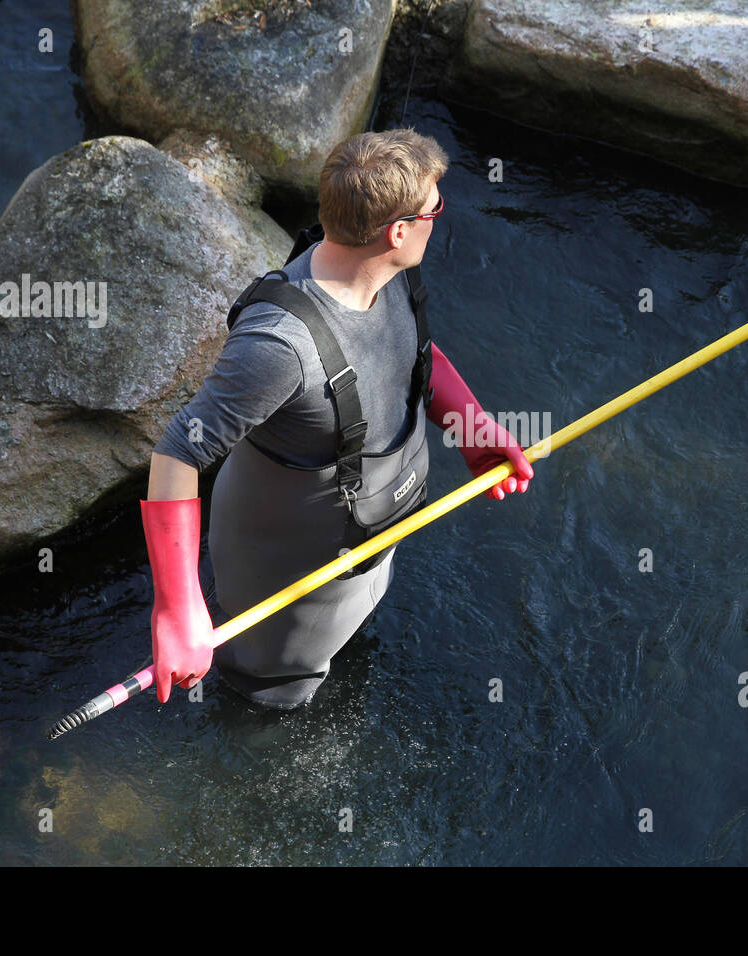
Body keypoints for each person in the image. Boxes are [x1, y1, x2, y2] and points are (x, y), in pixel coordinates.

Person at [140, 128, 534, 709]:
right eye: (436, 208)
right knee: (270, 705)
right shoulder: (278, 346)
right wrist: (177, 609)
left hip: (373, 543)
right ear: (397, 232)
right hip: (287, 588)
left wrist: (473, 429)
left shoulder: (387, 273)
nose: (439, 218)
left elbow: (414, 353)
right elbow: (177, 451)